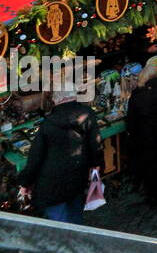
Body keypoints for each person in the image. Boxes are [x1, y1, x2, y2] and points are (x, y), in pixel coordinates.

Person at [17, 85, 102, 226]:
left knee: (59, 223)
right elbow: (96, 145)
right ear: (74, 96)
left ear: (56, 100)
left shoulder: (47, 124)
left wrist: (25, 182)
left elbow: (35, 158)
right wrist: (96, 166)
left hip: (52, 184)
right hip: (77, 176)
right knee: (76, 215)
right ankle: (77, 241)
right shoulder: (87, 114)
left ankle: (68, 244)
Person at [124, 64, 157, 205]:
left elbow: (131, 121)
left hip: (146, 138)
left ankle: (155, 195)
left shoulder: (137, 95)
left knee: (151, 168)